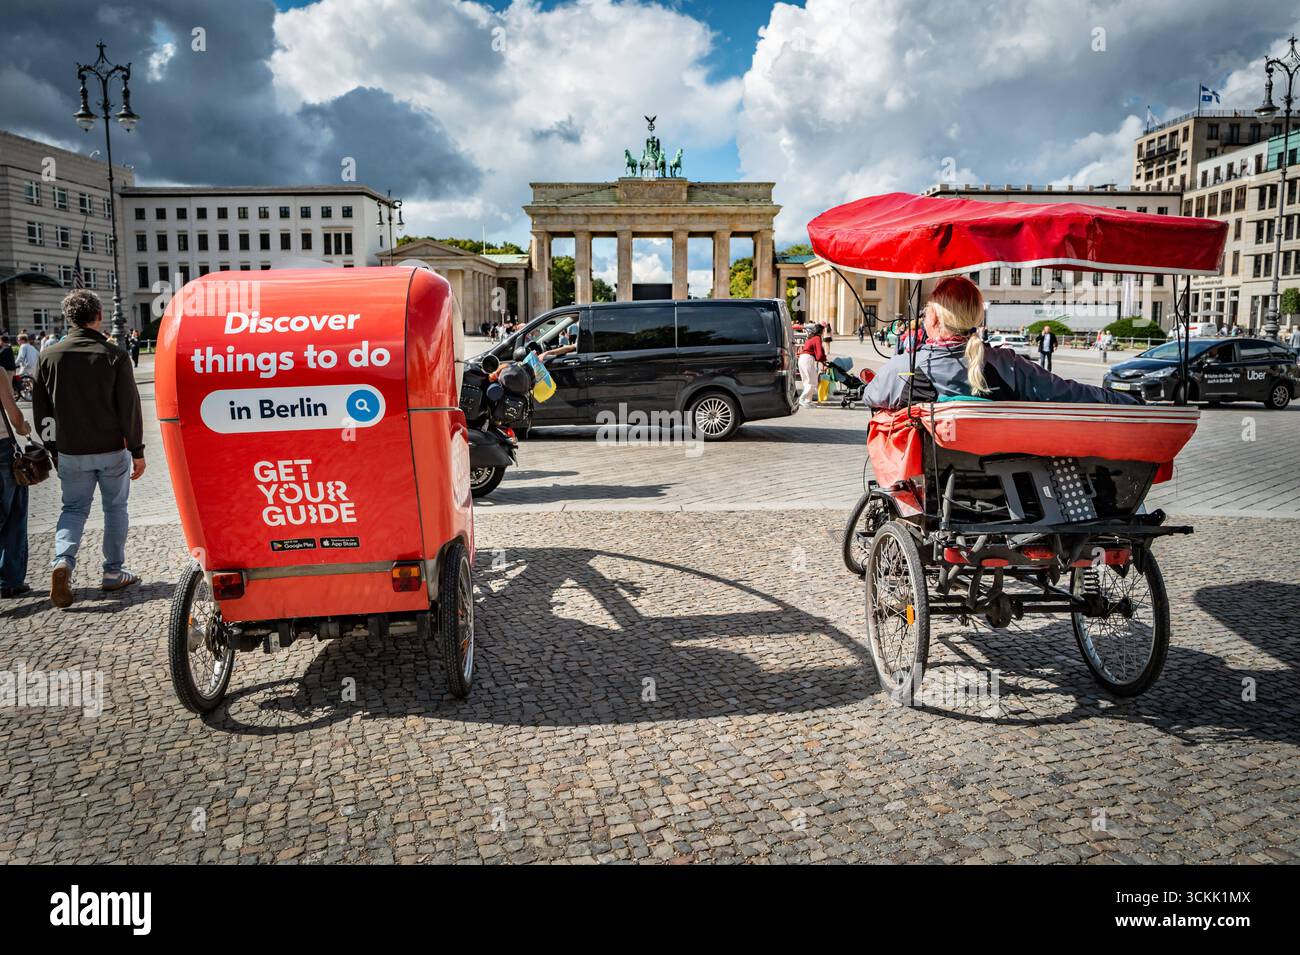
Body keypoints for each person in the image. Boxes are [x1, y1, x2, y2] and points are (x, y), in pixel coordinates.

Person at [864, 276, 1139, 410]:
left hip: (930, 480)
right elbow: (1070, 392)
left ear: (933, 317)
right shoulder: (1008, 364)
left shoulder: (905, 367)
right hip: (1007, 486)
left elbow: (870, 397)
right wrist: (1125, 400)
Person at [32, 290, 146, 608]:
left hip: (70, 450)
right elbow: (130, 408)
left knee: (73, 510)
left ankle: (63, 561)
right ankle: (113, 572)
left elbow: (42, 411)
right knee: (115, 509)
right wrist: (137, 450)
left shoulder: (48, 356)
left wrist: (52, 447)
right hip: (111, 449)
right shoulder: (114, 354)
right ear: (98, 316)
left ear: (70, 318)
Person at [0, 343, 33, 598]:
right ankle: (10, 579)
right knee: (13, 516)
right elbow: (14, 415)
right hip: (1, 451)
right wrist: (24, 429)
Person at [797, 322, 826, 407]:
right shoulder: (817, 338)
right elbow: (819, 353)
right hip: (808, 359)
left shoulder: (810, 338)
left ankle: (808, 401)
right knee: (813, 382)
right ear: (820, 331)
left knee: (807, 381)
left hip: (802, 358)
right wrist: (823, 360)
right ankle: (801, 399)